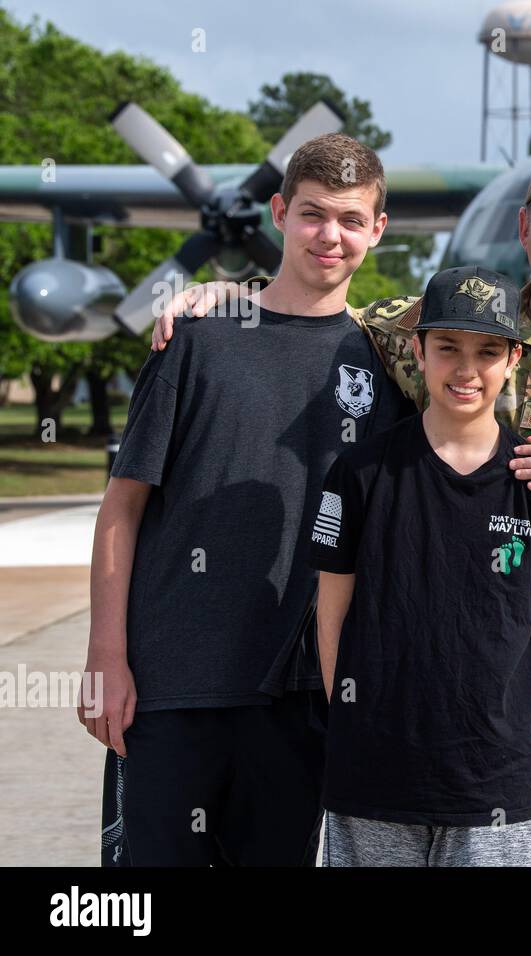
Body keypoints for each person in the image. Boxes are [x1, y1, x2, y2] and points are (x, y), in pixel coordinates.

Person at [151, 147, 531, 866]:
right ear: (523, 228)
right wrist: (230, 294)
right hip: (455, 712)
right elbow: (320, 296)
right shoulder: (451, 325)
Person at [79, 133, 416, 865]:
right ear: (279, 213)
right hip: (171, 683)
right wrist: (106, 654)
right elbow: (121, 508)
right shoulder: (197, 338)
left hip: (300, 698)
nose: (330, 236)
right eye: (313, 214)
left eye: (351, 220)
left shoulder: (386, 365)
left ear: (378, 230)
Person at [310, 266, 531, 867]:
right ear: (418, 351)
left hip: (492, 790)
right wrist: (354, 724)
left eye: (487, 351)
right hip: (373, 779)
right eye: (447, 348)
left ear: (513, 359)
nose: (466, 370)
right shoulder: (361, 472)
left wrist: (516, 746)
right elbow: (331, 613)